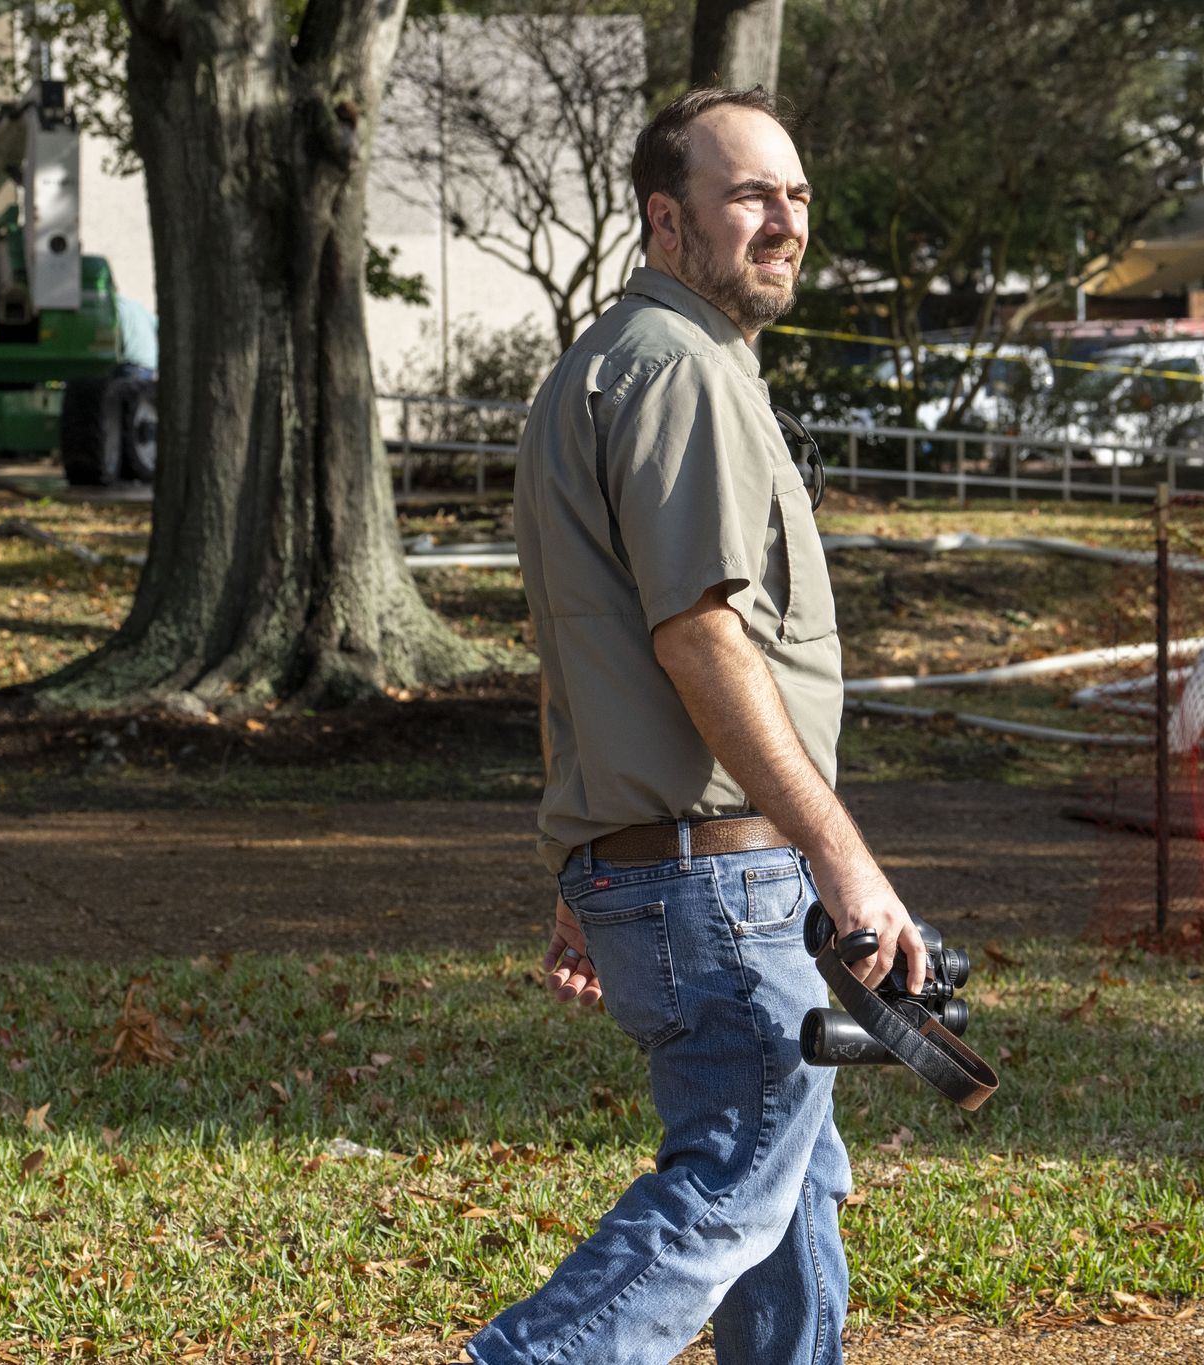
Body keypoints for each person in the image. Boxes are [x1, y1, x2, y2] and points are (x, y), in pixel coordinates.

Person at [459, 86, 926, 1365]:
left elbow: (580, 646)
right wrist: (841, 859)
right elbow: (695, 638)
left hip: (666, 869)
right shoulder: (679, 371)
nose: (783, 222)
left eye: (796, 198)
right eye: (748, 197)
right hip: (716, 880)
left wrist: (586, 864)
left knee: (790, 1192)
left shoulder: (605, 369)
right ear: (667, 221)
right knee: (731, 1186)